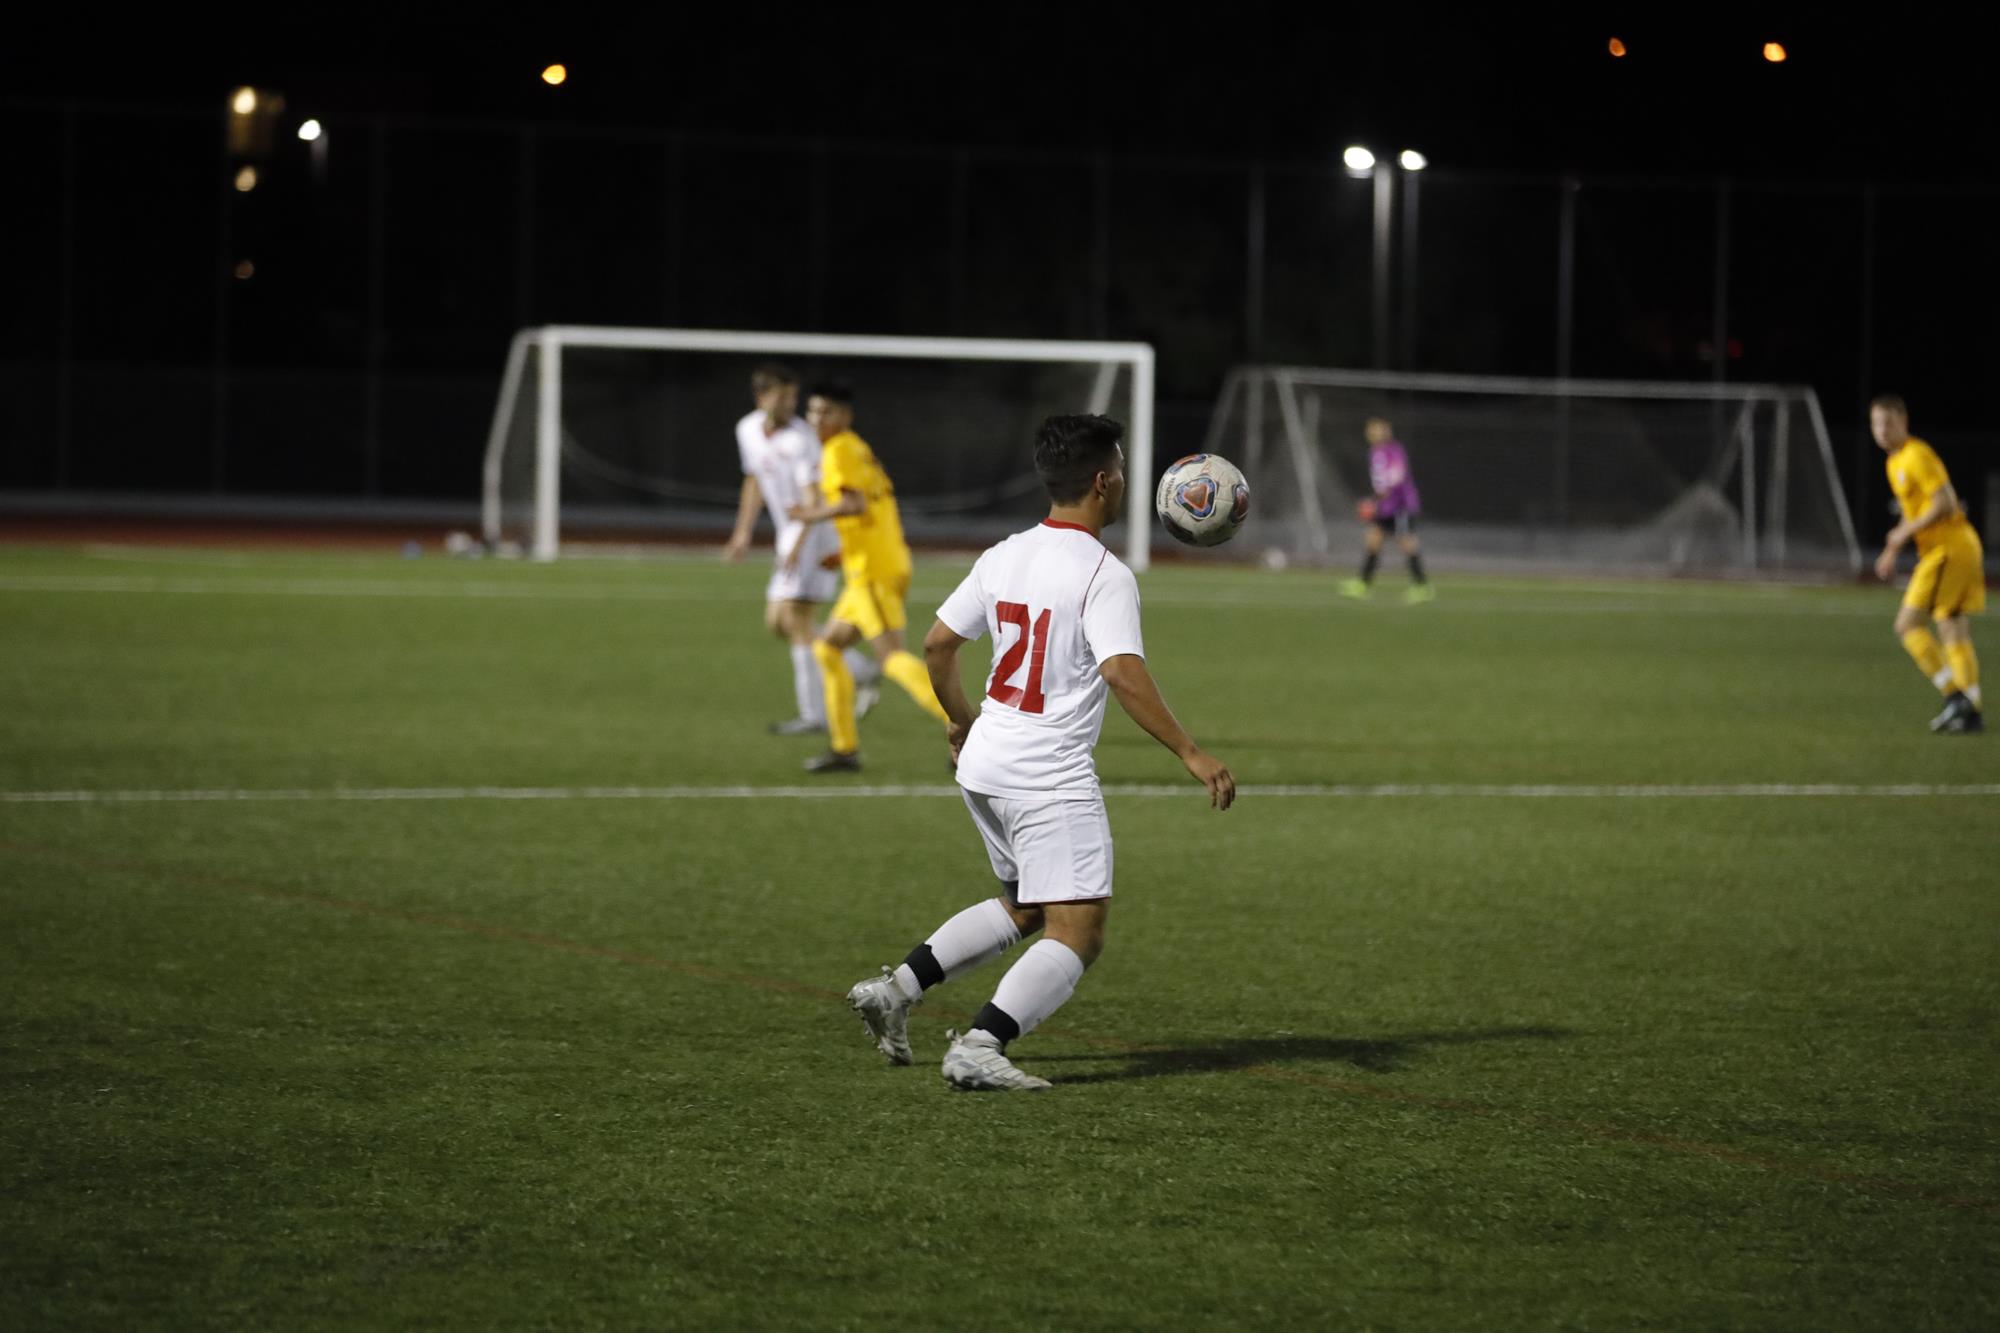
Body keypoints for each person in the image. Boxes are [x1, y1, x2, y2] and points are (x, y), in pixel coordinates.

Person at [843, 413, 1236, 1091]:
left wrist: (962, 720)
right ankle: (981, 1044)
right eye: (1118, 467)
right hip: (1044, 772)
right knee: (1079, 928)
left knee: (1026, 904)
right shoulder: (1103, 574)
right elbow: (1121, 671)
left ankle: (895, 990)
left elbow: (937, 644)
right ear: (1103, 482)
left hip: (988, 761)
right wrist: (1191, 752)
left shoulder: (1005, 553)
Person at [785, 380, 951, 771]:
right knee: (827, 649)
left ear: (844, 416)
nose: (817, 418)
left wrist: (808, 514)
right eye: (813, 411)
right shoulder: (855, 448)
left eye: (826, 411)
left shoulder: (839, 449)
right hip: (868, 567)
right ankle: (845, 749)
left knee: (891, 657)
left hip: (874, 572)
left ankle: (967, 727)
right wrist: (843, 553)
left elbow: (854, 503)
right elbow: (872, 511)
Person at [722, 363, 877, 735]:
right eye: (783, 395)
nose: (792, 402)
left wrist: (797, 545)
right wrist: (742, 532)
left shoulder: (802, 440)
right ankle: (861, 669)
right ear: (762, 397)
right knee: (778, 623)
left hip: (816, 535)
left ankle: (814, 717)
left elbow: (813, 499)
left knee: (796, 622)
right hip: (790, 535)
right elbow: (754, 480)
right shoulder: (747, 430)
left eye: (794, 395)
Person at [1871, 394, 1984, 733]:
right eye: (1876, 423)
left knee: (1907, 625)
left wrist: (1902, 534)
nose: (1882, 430)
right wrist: (1894, 547)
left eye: (1888, 423)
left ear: (1904, 422)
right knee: (1952, 626)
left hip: (1949, 548)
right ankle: (1970, 710)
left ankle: (1955, 697)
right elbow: (1913, 513)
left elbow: (1946, 503)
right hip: (1953, 547)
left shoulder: (1916, 455)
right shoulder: (1894, 462)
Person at [1340, 416, 1434, 603]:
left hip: (1400, 506)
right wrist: (1377, 501)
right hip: (1386, 507)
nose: (1374, 433)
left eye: (1378, 429)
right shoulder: (1375, 452)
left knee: (1406, 543)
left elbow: (1397, 475)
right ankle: (1363, 584)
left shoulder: (1393, 450)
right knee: (1373, 540)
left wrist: (1375, 499)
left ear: (1386, 431)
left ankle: (1422, 586)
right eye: (1371, 430)